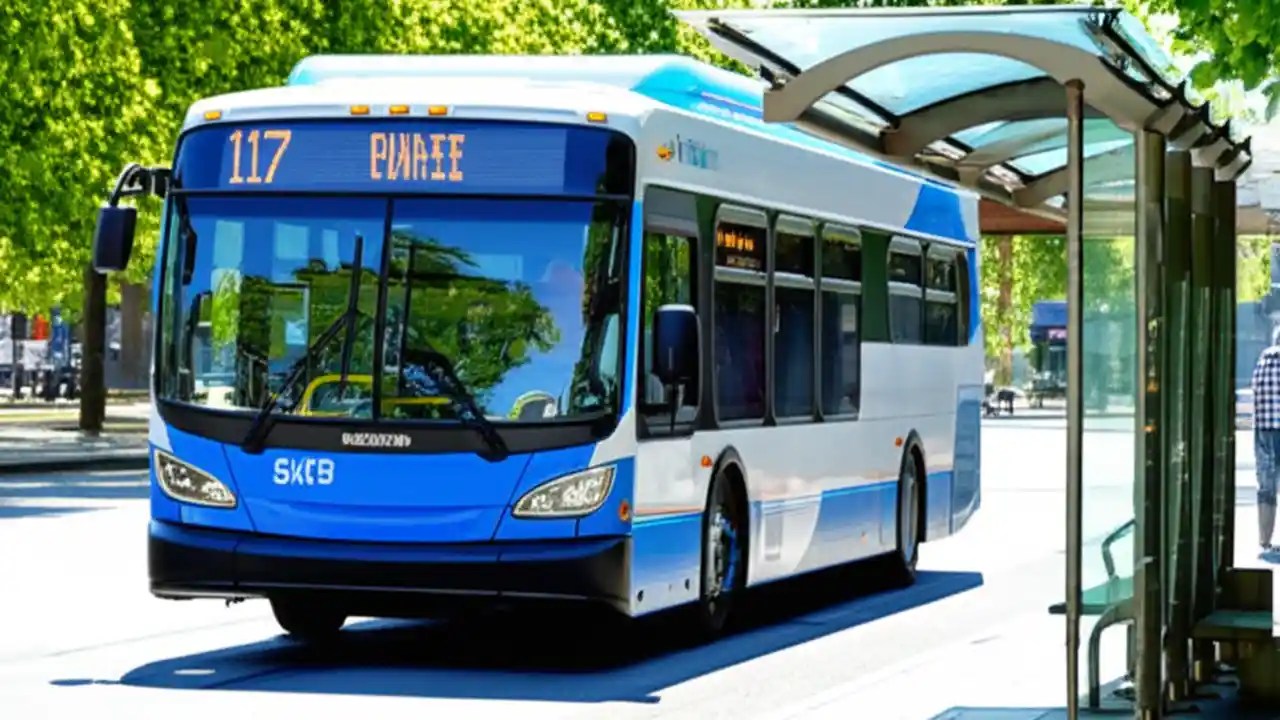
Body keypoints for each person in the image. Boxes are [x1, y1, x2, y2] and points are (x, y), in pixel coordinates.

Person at [1249, 325, 1280, 555]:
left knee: (1266, 488)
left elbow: (1255, 392)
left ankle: (1265, 540)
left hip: (1263, 430)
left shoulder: (1264, 359)